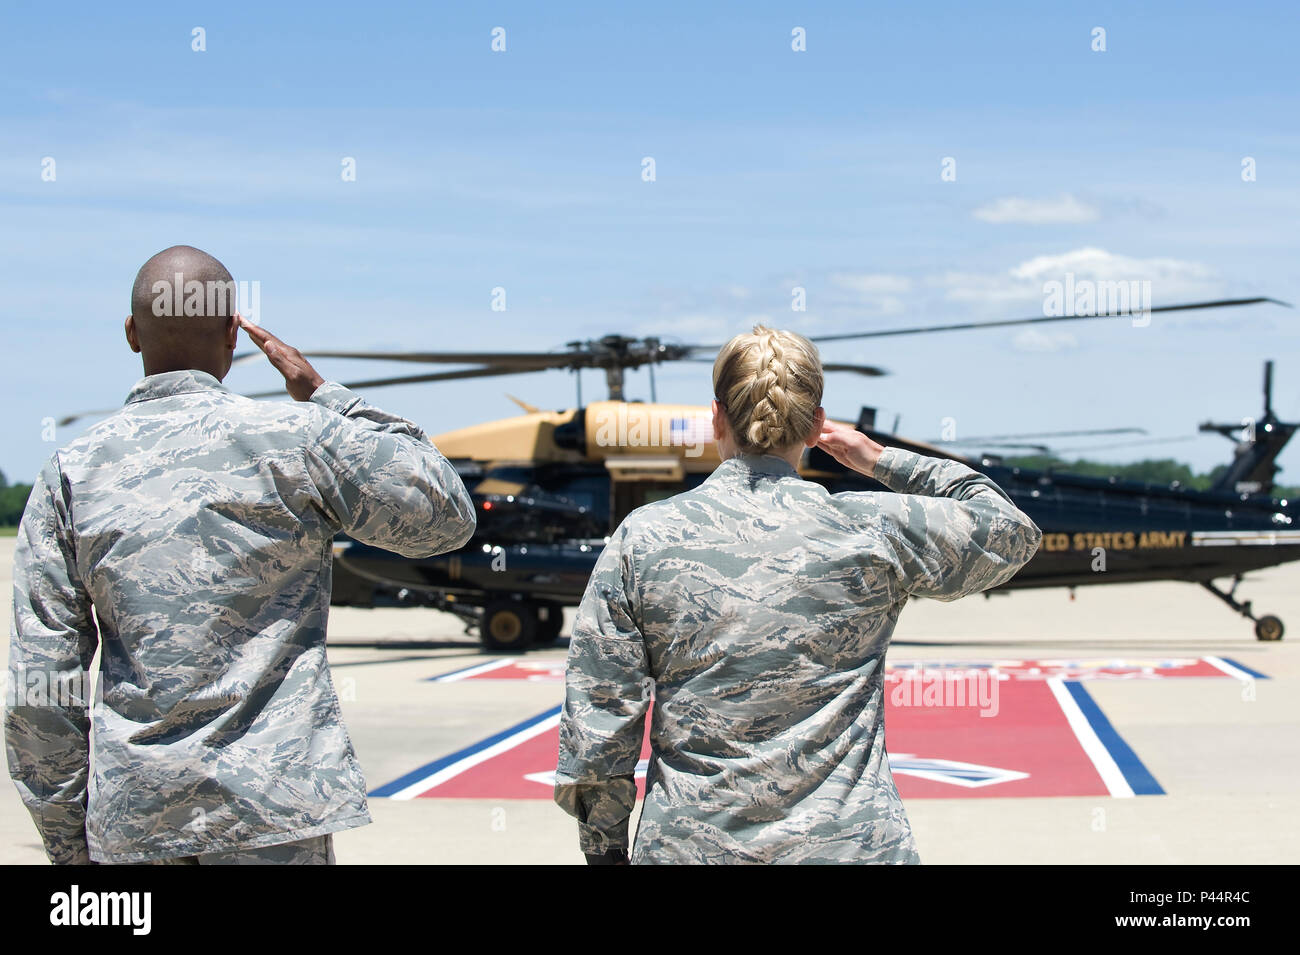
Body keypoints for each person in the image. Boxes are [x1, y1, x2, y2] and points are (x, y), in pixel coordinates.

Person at [5, 245, 476, 865]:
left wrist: (70, 844)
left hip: (138, 819)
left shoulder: (72, 473)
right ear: (234, 334)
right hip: (273, 815)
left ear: (130, 335)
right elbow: (445, 515)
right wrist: (328, 397)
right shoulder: (298, 440)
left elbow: (42, 685)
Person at [554, 325, 1042, 864]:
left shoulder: (643, 539)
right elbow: (1008, 529)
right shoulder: (866, 527)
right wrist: (879, 459)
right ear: (814, 424)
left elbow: (600, 728)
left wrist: (605, 852)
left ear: (717, 417)